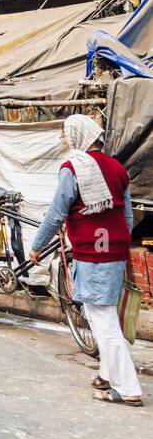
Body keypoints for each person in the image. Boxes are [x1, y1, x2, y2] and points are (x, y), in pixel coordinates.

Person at [30, 114, 143, 407]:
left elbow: (57, 212)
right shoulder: (118, 168)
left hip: (93, 252)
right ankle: (106, 375)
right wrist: (118, 244)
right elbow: (127, 217)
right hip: (114, 249)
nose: (64, 141)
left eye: (65, 135)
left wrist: (37, 246)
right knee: (102, 314)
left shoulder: (72, 168)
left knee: (103, 319)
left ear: (79, 136)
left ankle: (128, 388)